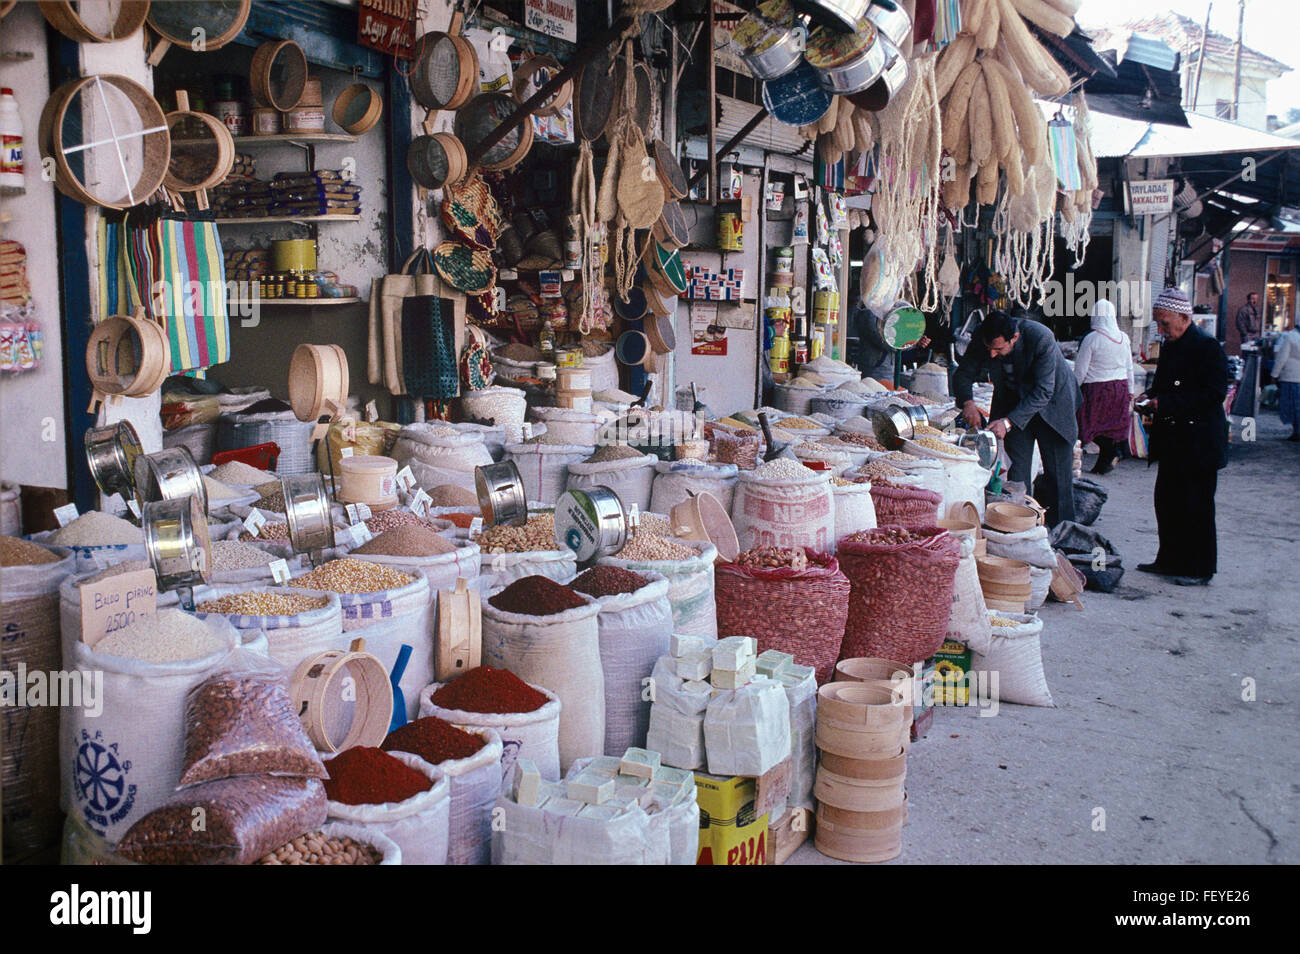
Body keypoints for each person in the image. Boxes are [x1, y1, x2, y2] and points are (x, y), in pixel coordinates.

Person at [1135, 287, 1229, 586]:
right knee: (1168, 501)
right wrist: (1148, 396)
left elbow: (1213, 394)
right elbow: (1163, 384)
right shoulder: (1172, 345)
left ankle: (1199, 568)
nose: (1161, 330)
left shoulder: (1207, 346)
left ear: (1184, 317)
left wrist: (1168, 403)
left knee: (1197, 506)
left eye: (1164, 323)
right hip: (1174, 441)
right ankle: (1170, 559)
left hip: (1199, 443)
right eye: (1158, 323)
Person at [952, 310, 1081, 526]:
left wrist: (1007, 421)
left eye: (999, 349)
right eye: (989, 349)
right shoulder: (985, 337)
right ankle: (1021, 528)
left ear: (1015, 338)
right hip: (1012, 401)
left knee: (1058, 478)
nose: (992, 355)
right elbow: (963, 373)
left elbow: (1043, 391)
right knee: (1017, 477)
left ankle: (1064, 533)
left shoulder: (1041, 337)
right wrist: (968, 403)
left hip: (1053, 405)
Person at [1073, 299, 1135, 474]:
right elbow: (1129, 366)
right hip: (1120, 388)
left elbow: (1081, 369)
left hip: (1096, 390)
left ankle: (1110, 453)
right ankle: (1106, 459)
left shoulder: (1091, 339)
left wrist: (1073, 389)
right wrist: (1130, 390)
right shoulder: (1124, 338)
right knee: (1111, 426)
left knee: (1087, 425)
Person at [1272, 322, 1300, 441]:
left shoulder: (1290, 337)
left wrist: (1274, 374)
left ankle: (1297, 432)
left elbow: (1282, 358)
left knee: (1293, 407)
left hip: (1290, 376)